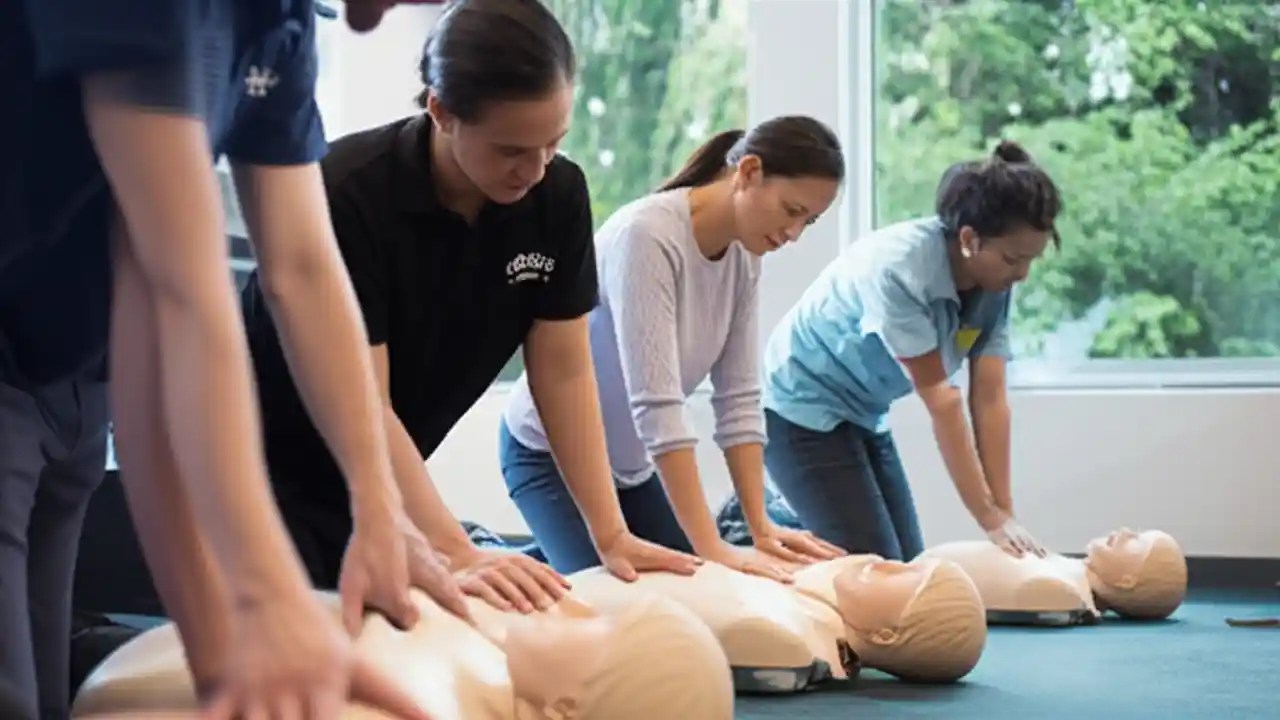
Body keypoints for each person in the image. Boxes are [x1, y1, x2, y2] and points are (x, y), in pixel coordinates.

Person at [1, 2, 458, 719]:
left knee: (49, 695)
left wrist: (379, 508)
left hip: (72, 370)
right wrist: (263, 599)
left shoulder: (282, 23)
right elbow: (175, 289)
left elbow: (303, 267)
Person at [241, 0, 701, 617]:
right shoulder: (347, 195)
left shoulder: (558, 196)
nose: (534, 170)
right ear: (442, 112)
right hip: (265, 477)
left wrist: (609, 532)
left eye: (553, 143)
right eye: (511, 149)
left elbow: (564, 373)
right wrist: (455, 549)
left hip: (385, 485)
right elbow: (364, 401)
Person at [499, 117, 848, 582]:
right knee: (623, 609)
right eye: (791, 210)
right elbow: (657, 410)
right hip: (546, 454)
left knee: (698, 592)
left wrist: (761, 527)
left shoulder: (745, 255)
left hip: (630, 468)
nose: (794, 233)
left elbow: (739, 399)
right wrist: (710, 547)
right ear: (748, 172)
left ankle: (540, 557)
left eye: (810, 220)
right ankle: (489, 550)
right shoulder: (647, 235)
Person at [761, 141, 1063, 562]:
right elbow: (943, 403)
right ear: (970, 240)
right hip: (799, 404)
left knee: (907, 565)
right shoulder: (900, 269)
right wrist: (989, 520)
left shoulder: (995, 283)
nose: (1023, 274)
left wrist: (1006, 512)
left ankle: (794, 513)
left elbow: (990, 400)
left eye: (1032, 260)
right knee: (877, 571)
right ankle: (758, 523)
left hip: (865, 411)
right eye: (1014, 259)